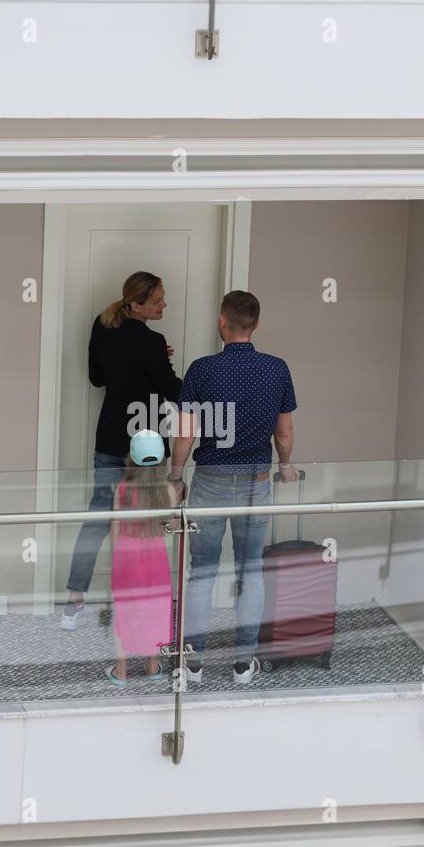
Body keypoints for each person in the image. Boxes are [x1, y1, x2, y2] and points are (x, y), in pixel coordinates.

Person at [168, 290, 298, 686]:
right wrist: (286, 465)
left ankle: (192, 664)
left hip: (210, 481)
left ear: (222, 321)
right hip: (257, 482)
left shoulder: (202, 369)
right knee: (251, 571)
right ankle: (243, 664)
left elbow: (186, 435)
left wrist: (175, 478)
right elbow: (285, 430)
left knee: (202, 572)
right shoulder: (277, 369)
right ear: (256, 324)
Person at [61, 271, 182, 630]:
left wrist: (151, 360)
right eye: (158, 299)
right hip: (146, 439)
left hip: (111, 436)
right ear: (136, 304)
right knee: (146, 521)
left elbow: (98, 378)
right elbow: (172, 389)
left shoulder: (103, 325)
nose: (164, 304)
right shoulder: (151, 340)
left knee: (98, 517)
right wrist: (160, 362)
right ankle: (139, 602)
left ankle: (73, 602)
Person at [105, 430, 180, 686]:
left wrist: (116, 558)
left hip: (127, 558)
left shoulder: (123, 489)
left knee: (125, 612)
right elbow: (169, 526)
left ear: (132, 459)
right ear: (161, 460)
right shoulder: (168, 491)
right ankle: (151, 665)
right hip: (155, 559)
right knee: (155, 611)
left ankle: (122, 670)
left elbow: (115, 525)